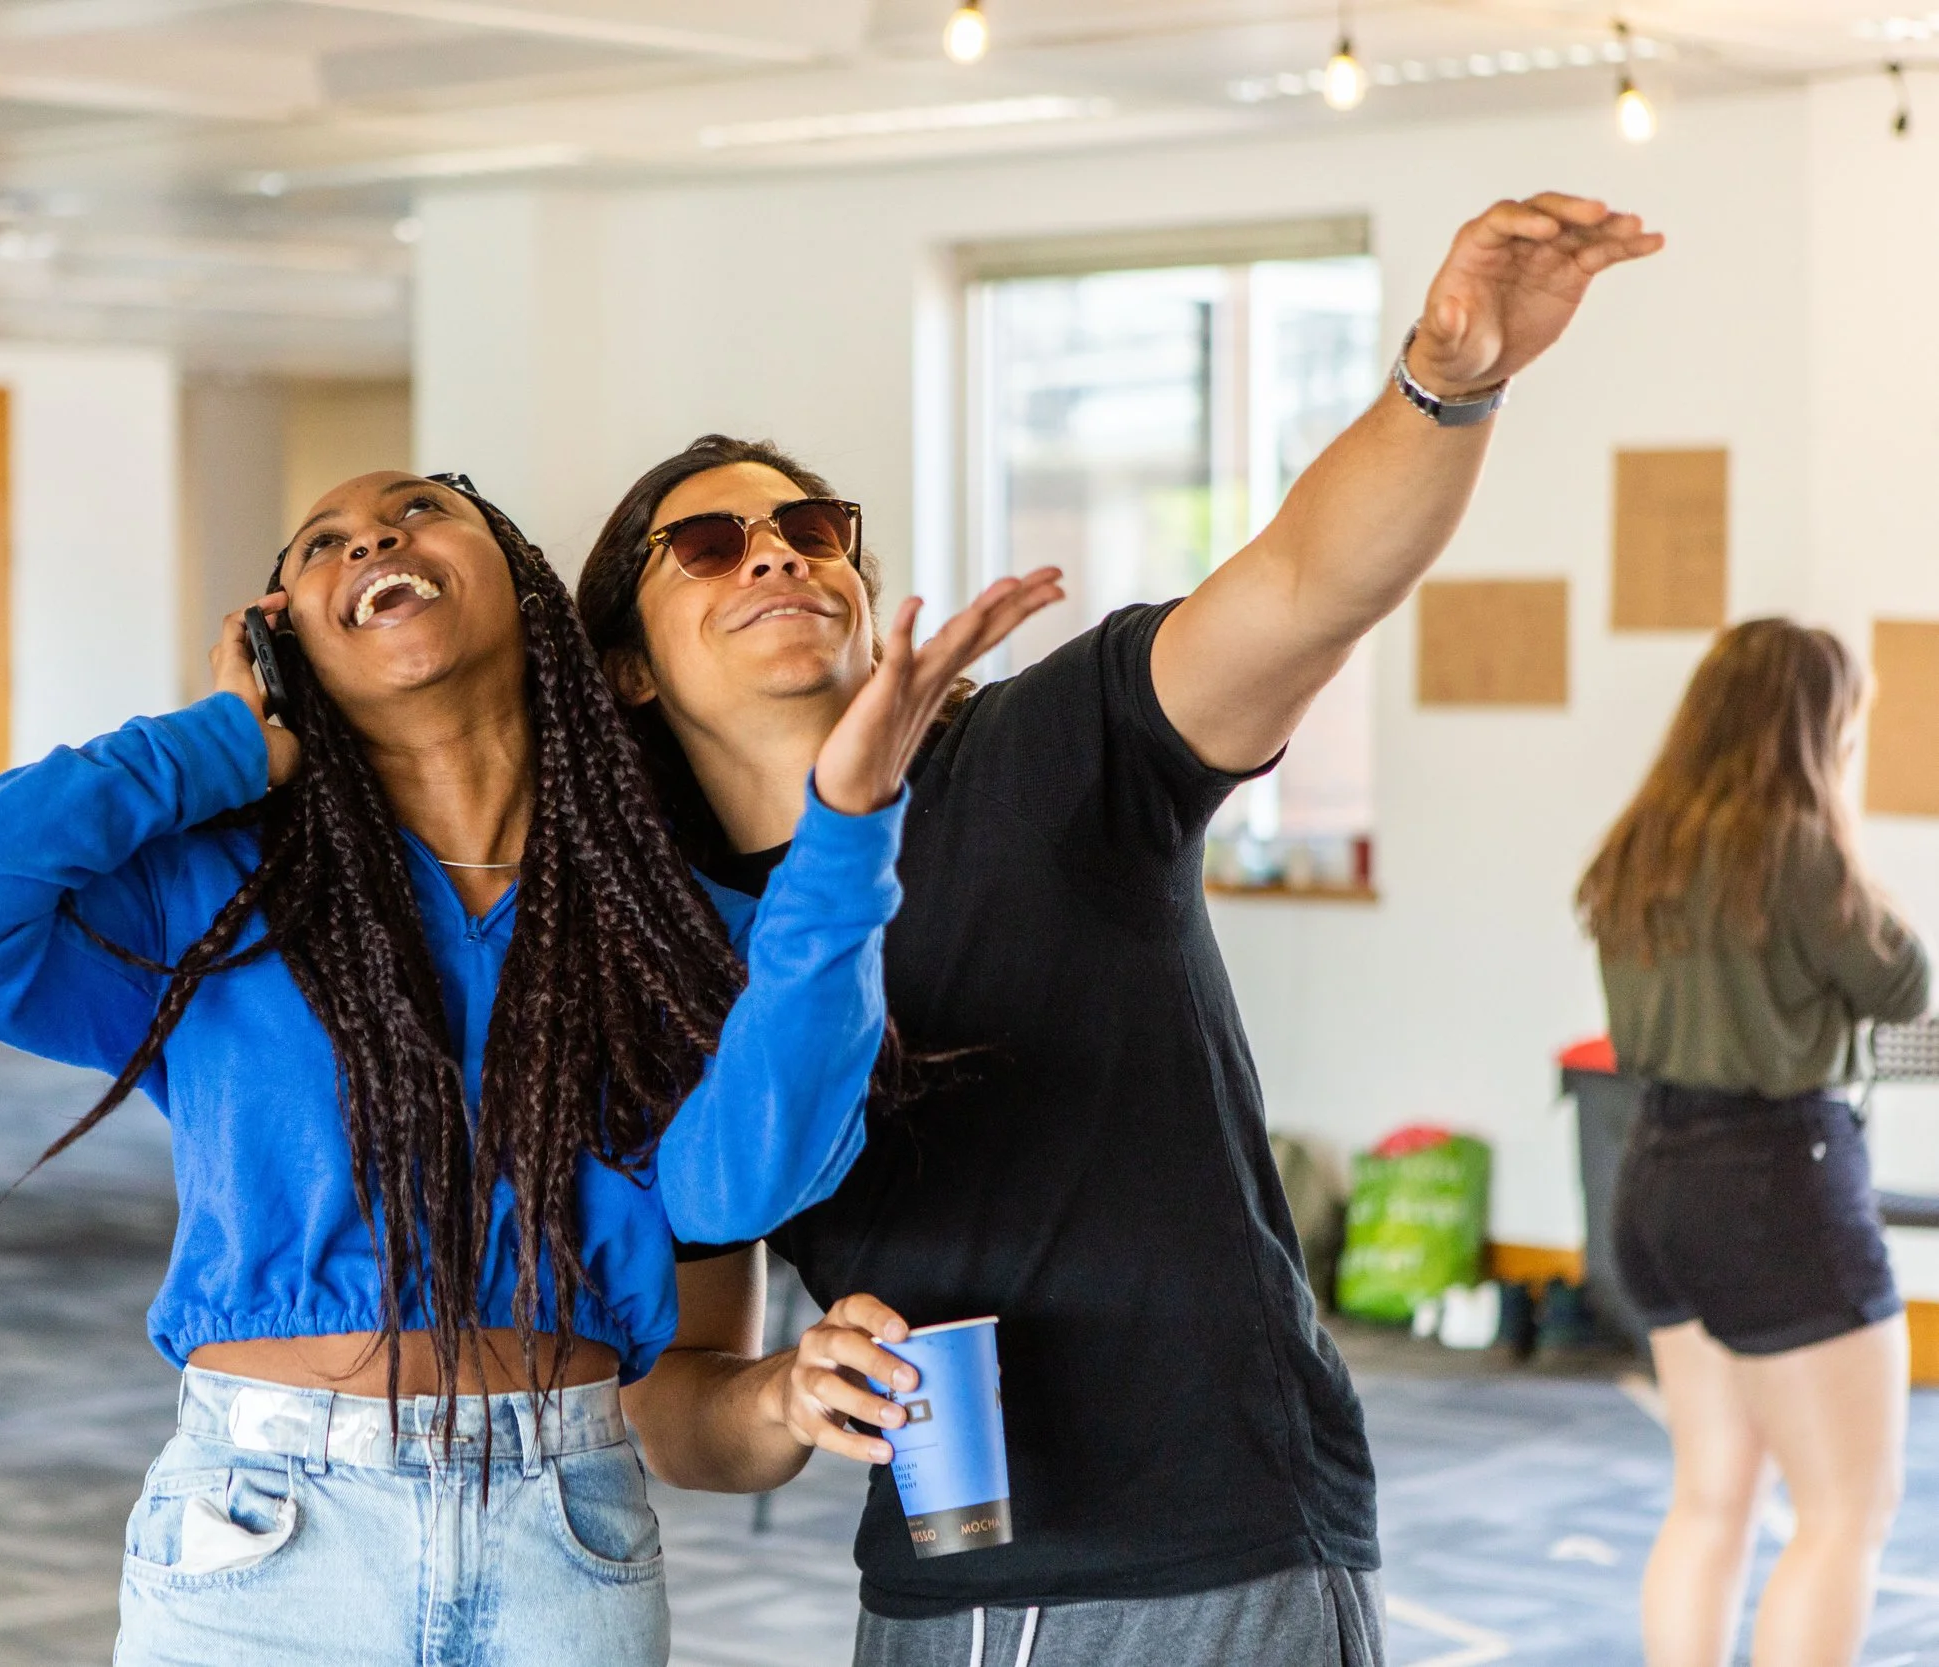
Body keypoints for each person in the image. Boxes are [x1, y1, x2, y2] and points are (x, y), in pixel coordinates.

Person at [582, 193, 1663, 1665]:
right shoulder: (664, 950)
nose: (776, 554)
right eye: (706, 545)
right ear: (628, 669)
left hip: (1219, 1533)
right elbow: (682, 1388)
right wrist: (781, 1396)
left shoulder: (1051, 749)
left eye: (810, 526)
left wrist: (1447, 381)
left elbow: (1304, 584)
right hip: (948, 1574)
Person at [0, 471, 1058, 1667]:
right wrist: (217, 746)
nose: (368, 540)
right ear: (287, 644)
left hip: (561, 1535)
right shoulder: (210, 895)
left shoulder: (670, 925)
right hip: (265, 1536)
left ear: (524, 598)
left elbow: (740, 1185)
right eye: (320, 545)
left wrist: (846, 828)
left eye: (419, 511)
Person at [1580, 619, 1929, 1667]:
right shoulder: (1798, 847)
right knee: (1845, 1510)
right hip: (1776, 1179)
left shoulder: (1637, 843)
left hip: (1653, 1173)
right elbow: (1902, 981)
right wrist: (1842, 829)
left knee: (1710, 1496)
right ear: (1815, 727)